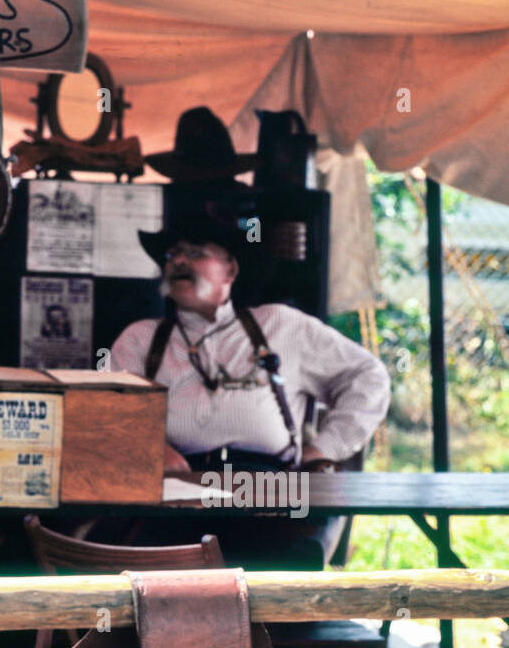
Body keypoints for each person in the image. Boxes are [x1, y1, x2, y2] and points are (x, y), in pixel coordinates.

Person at [108, 211, 391, 569]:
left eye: (194, 252)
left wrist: (325, 448)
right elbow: (107, 414)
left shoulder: (281, 326)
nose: (178, 261)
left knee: (282, 583)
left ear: (231, 271)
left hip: (268, 494)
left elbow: (368, 376)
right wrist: (151, 448)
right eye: (173, 254)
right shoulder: (140, 339)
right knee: (145, 578)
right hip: (175, 499)